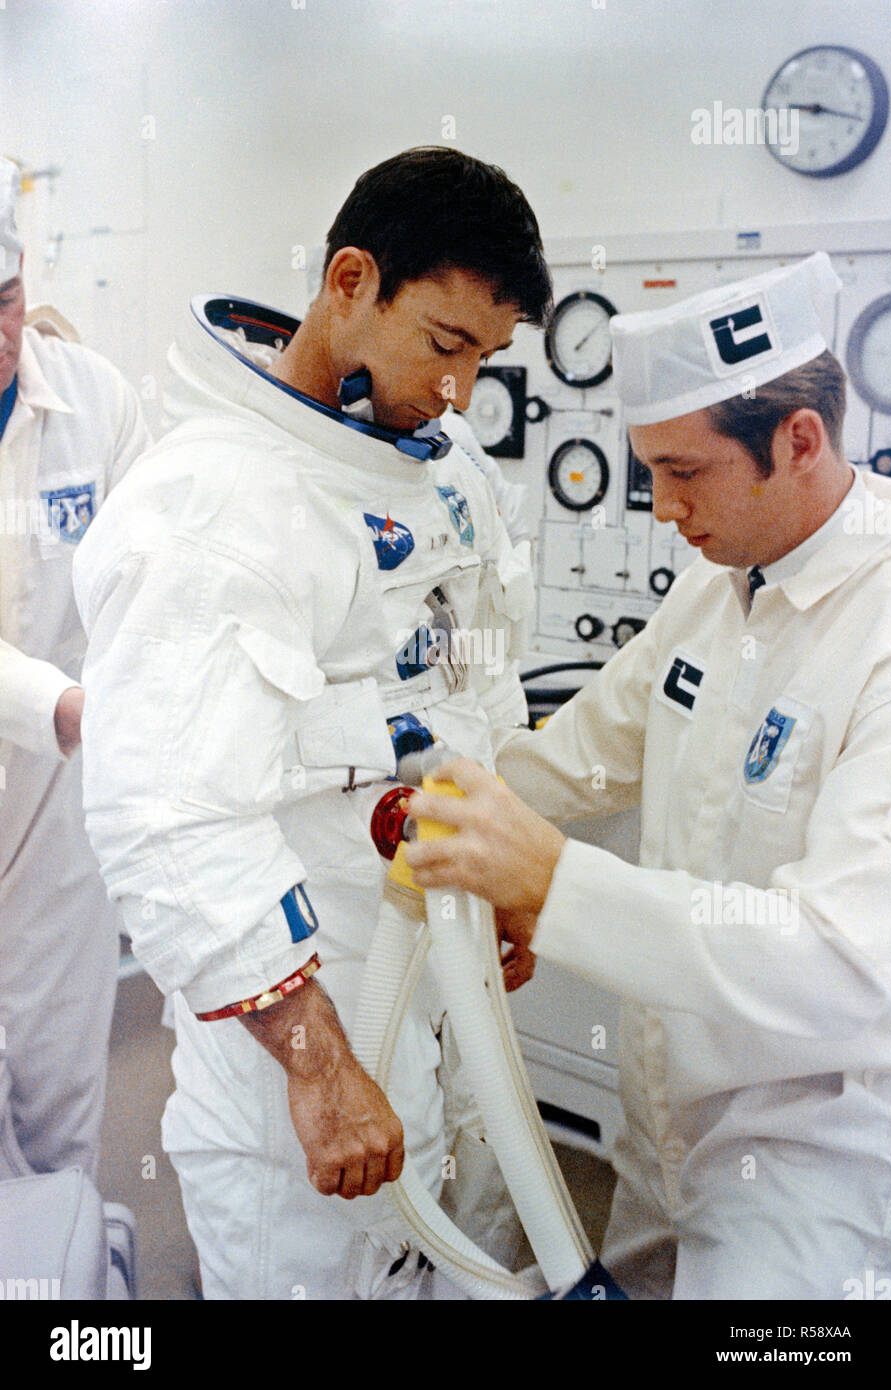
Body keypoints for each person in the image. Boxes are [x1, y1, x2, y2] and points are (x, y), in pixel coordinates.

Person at [72, 147, 552, 1299]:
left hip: (436, 1004)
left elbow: (479, 693)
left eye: (485, 359)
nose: (460, 392)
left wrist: (497, 871)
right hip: (297, 1066)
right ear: (349, 282)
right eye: (444, 346)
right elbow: (168, 816)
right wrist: (319, 1062)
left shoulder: (447, 474)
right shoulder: (209, 505)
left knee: (451, 1263)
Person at [406, 252, 891, 1300]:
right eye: (650, 473)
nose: (661, 508)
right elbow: (585, 749)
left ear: (799, 441)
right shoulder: (717, 580)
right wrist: (437, 797)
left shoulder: (886, 620)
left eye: (683, 473)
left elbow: (843, 961)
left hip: (816, 1163)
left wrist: (551, 885)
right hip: (663, 1119)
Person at [0, 158, 151, 1182]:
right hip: (66, 728)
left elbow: (157, 574)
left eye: (3, 299)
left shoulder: (96, 404)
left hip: (60, 825)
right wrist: (59, 701)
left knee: (59, 1100)